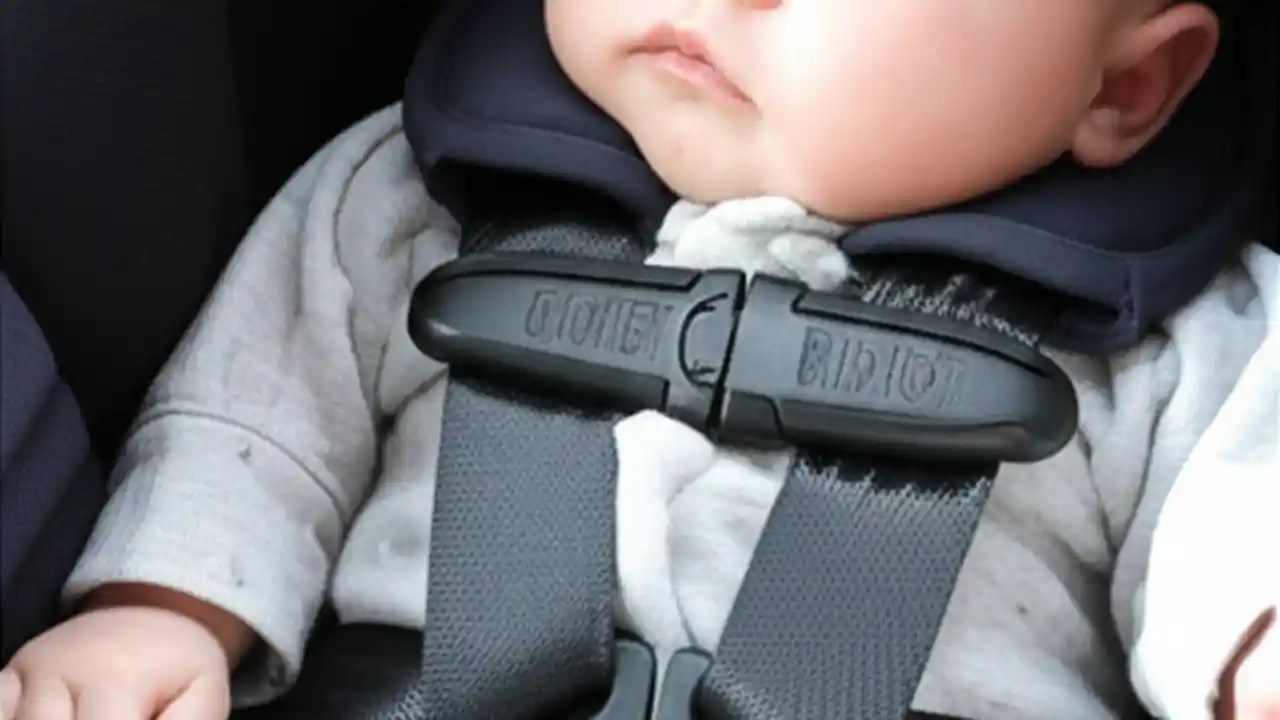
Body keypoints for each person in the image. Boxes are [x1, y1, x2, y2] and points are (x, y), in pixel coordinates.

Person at [2, 0, 1276, 718]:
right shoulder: (412, 198)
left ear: (1119, 89)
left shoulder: (1191, 344)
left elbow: (1238, 557)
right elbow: (257, 430)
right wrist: (166, 611)